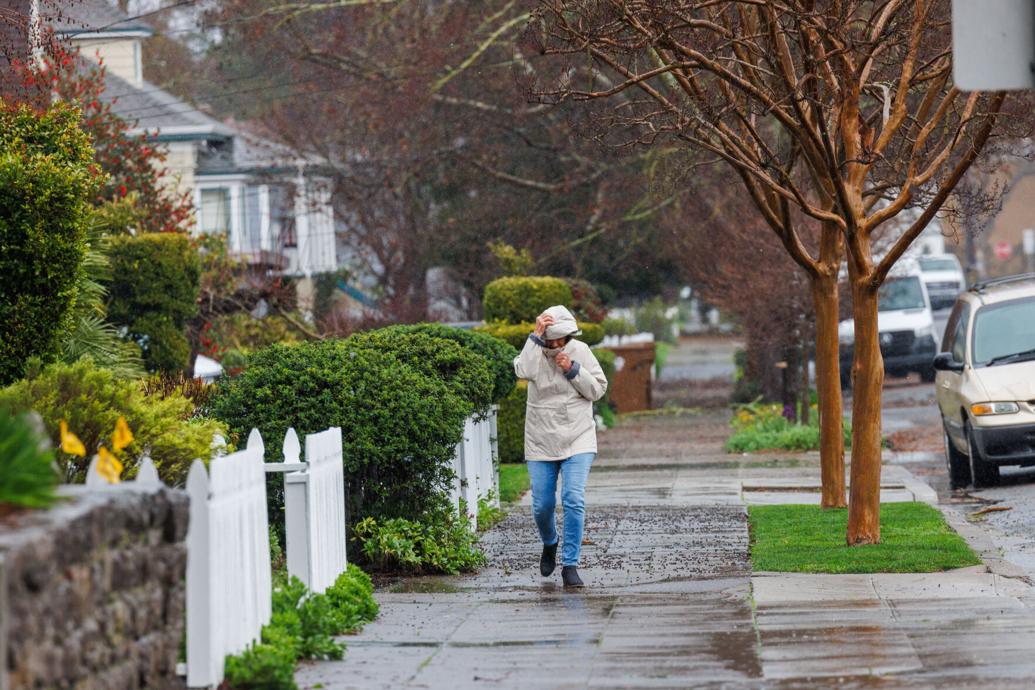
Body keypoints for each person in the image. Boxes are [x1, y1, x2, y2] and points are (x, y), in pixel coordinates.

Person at [514, 305, 608, 587]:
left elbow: (598, 389)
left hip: (578, 436)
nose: (555, 345)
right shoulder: (534, 350)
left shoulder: (581, 351)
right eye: (550, 339)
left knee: (573, 498)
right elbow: (522, 370)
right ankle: (550, 541)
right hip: (541, 437)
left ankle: (570, 564)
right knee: (542, 505)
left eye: (560, 339)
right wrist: (535, 336)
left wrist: (573, 370)